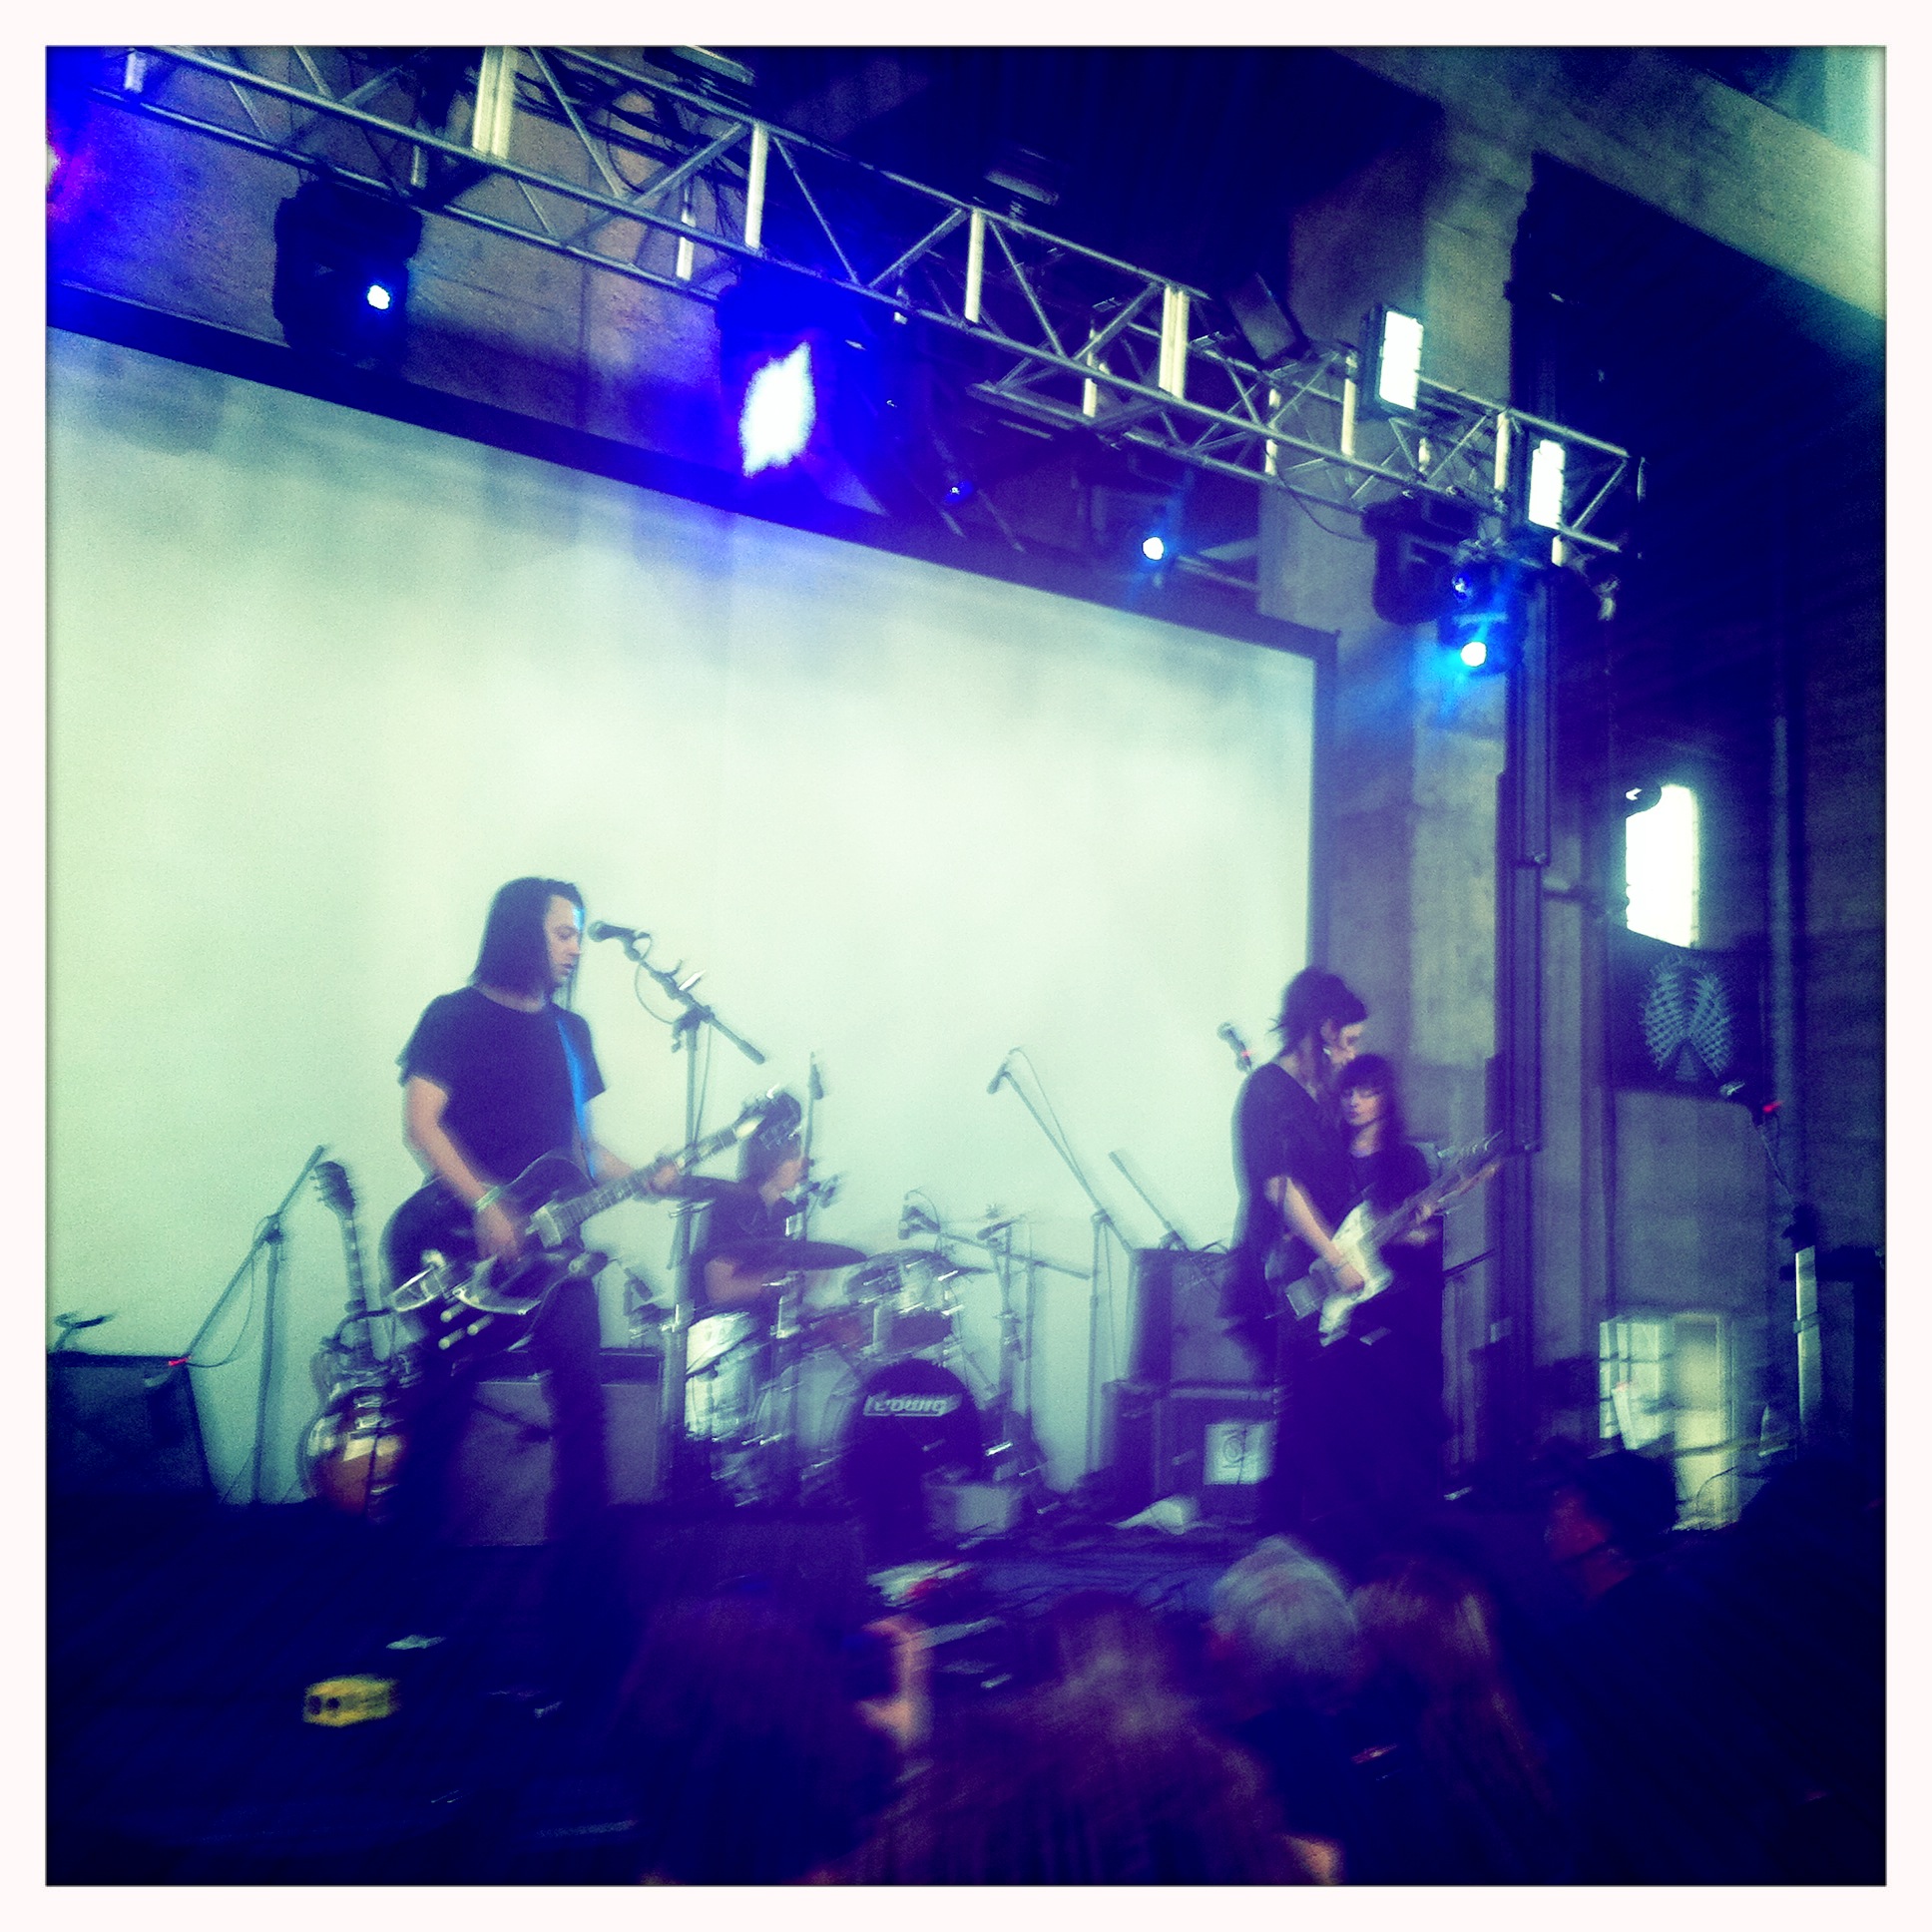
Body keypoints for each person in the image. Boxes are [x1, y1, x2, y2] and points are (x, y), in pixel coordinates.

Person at [382, 876, 674, 1687]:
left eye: (578, 934)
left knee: (585, 1408)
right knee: (439, 1411)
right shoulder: (453, 1016)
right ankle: (410, 1606)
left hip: (555, 1257)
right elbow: (420, 1123)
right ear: (521, 933)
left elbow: (579, 1147)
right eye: (563, 932)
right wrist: (484, 1203)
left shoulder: (570, 1032)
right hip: (456, 1247)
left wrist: (645, 1177)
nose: (576, 948)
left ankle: (582, 1603)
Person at [1225, 968, 1367, 1533]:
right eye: (1348, 1040)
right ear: (1323, 1030)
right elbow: (1278, 1186)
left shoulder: (1322, 1099)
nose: (1351, 1054)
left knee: (1318, 1418)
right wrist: (1335, 1256)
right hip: (1278, 1278)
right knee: (1300, 1417)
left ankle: (1310, 1539)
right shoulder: (1267, 1091)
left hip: (1319, 1273)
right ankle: (1281, 1541)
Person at [1322, 1053, 1450, 1545]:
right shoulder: (1329, 1160)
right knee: (1342, 1437)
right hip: (1335, 1315)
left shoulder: (1406, 1162)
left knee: (1396, 1432)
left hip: (1392, 1316)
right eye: (1348, 1092)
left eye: (1367, 1091)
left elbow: (1428, 1240)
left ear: (1386, 1098)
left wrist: (1409, 1233)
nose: (1355, 1101)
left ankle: (1402, 1540)